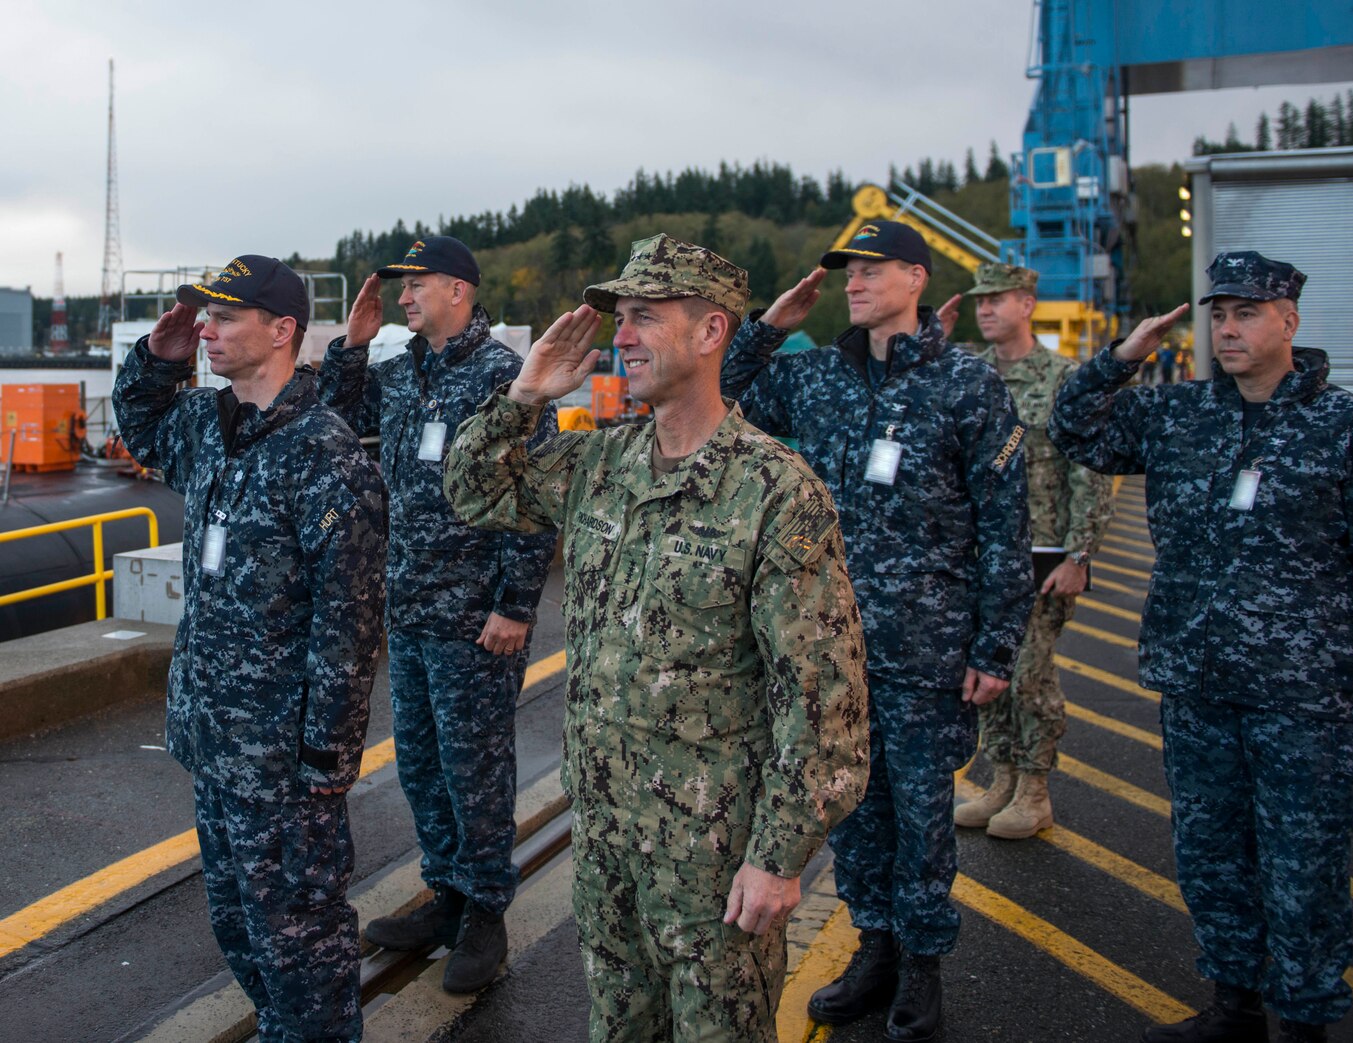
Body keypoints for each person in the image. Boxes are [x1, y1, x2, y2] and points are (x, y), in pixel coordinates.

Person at [443, 234, 870, 1043]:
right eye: (620, 317)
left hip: (715, 863)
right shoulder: (602, 463)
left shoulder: (777, 491)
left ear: (711, 332)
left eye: (644, 315)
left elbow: (824, 705)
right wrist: (524, 394)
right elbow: (472, 490)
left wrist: (777, 857)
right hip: (606, 843)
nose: (623, 335)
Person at [1047, 251, 1353, 1043]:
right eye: (1218, 314)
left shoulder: (1350, 428)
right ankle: (1234, 1008)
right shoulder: (1176, 413)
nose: (1227, 328)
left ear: (1289, 320)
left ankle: (1305, 1022)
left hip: (1307, 697)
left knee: (1304, 870)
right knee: (1210, 855)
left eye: (1246, 313)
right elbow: (1072, 427)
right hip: (1199, 685)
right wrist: (1124, 355)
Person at [721, 222, 1034, 1042]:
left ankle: (922, 963)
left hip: (927, 648)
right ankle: (876, 948)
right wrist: (771, 325)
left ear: (916, 278)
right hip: (827, 645)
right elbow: (716, 385)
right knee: (851, 809)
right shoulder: (819, 376)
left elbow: (1005, 522)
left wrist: (996, 644)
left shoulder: (966, 383)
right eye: (847, 271)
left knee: (922, 819)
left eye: (871, 269)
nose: (853, 282)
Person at [112, 256, 386, 1043]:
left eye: (226, 317)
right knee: (238, 924)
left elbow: (350, 622)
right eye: (206, 316)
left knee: (302, 940)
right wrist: (158, 356)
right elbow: (141, 426)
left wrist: (325, 763)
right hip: (214, 739)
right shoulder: (208, 424)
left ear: (281, 330)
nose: (207, 329)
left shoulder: (324, 452)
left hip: (283, 758)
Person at [318, 236, 557, 993]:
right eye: (403, 286)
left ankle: (484, 909)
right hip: (411, 607)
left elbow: (536, 494)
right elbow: (328, 418)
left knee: (474, 769)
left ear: (458, 290)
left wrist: (515, 604)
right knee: (422, 766)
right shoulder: (399, 373)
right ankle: (447, 893)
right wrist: (353, 346)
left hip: (476, 617)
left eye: (417, 284)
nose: (404, 296)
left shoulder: (506, 378)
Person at [935, 262, 1112, 839]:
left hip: (1042, 548)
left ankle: (1035, 788)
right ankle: (1002, 777)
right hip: (978, 551)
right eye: (980, 301)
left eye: (998, 299)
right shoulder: (969, 373)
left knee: (1029, 674)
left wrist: (1079, 555)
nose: (985, 309)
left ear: (1028, 304)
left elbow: (1088, 470)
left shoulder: (1063, 378)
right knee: (983, 673)